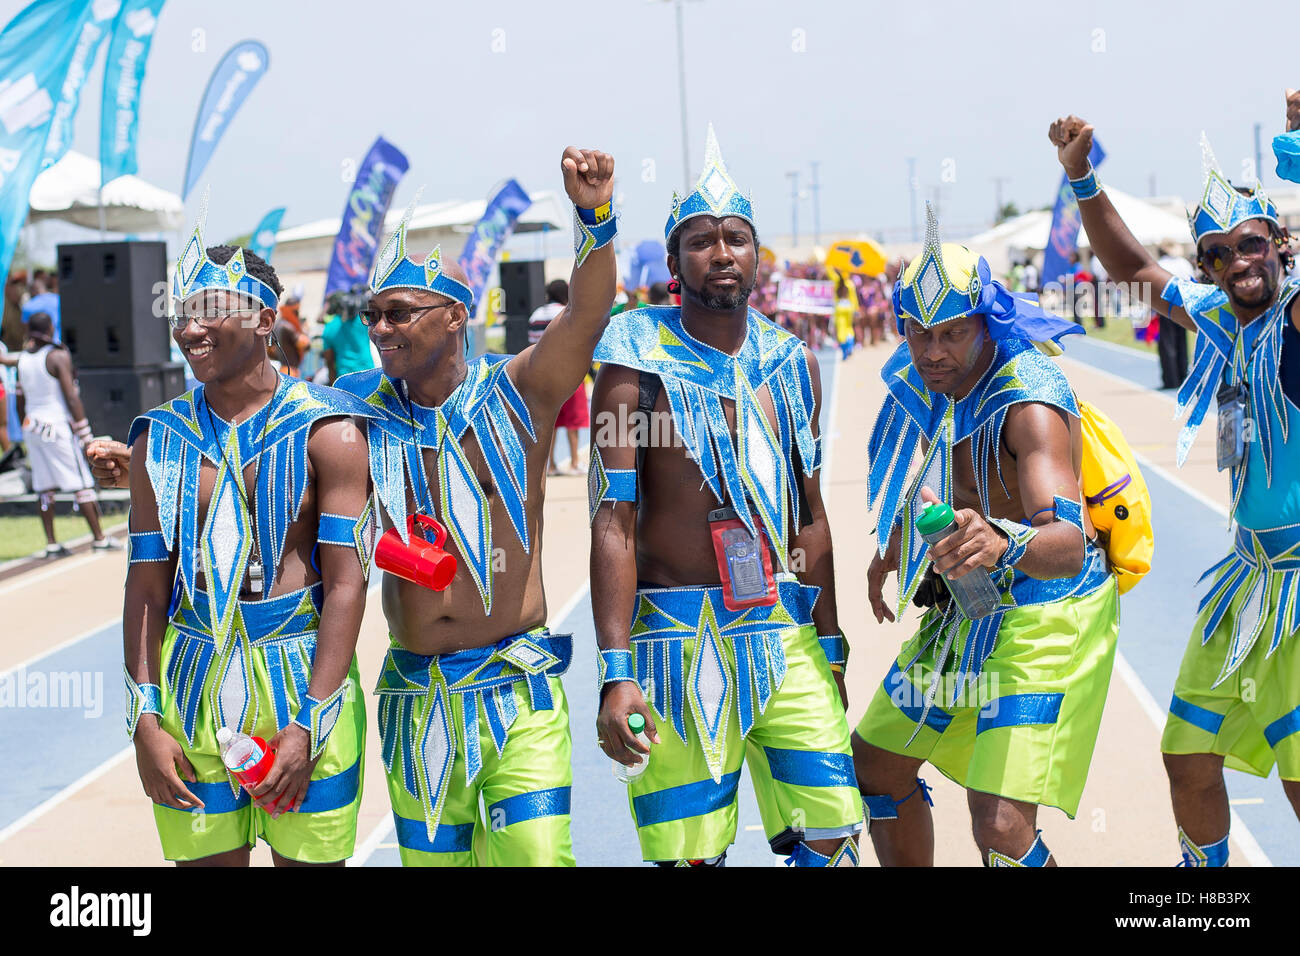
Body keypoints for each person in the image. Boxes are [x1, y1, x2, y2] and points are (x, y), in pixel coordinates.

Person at [332, 146, 617, 866]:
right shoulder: (355, 409)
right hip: (414, 693)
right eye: (373, 316)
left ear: (456, 316)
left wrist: (595, 215)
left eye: (399, 313)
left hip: (515, 685)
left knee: (537, 856)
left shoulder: (520, 391)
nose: (381, 329)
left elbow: (587, 313)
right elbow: (261, 424)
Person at [589, 126, 862, 867]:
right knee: (690, 856)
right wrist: (616, 672)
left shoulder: (787, 359)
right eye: (701, 240)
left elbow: (810, 512)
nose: (721, 253)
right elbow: (611, 520)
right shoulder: (631, 354)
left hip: (781, 626)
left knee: (834, 832)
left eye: (735, 238)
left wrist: (831, 640)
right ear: (676, 260)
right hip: (676, 640)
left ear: (756, 254)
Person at [1050, 102, 1300, 867]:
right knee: (1187, 755)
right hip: (1244, 583)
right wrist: (1082, 177)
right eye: (1218, 254)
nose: (1238, 262)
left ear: (1281, 243)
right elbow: (1130, 270)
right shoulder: (1226, 322)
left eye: (1251, 244)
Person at [854, 204, 1118, 868]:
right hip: (972, 597)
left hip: (1047, 609)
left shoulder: (1027, 404)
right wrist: (890, 553)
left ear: (983, 323)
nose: (934, 352)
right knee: (876, 767)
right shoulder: (930, 381)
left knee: (999, 824)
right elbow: (935, 475)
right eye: (919, 334)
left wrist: (1004, 543)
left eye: (951, 333)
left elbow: (1070, 544)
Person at [122, 207, 376, 867]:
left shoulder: (331, 430)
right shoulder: (159, 436)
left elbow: (348, 583)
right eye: (182, 313)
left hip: (301, 683)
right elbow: (147, 581)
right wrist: (145, 718)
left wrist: (311, 721)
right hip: (193, 683)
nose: (189, 327)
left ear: (267, 320)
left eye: (210, 308)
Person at [0, 313, 119, 556]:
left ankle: (52, 543)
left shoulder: (23, 360)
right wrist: (84, 430)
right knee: (81, 482)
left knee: (44, 487)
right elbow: (71, 396)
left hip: (33, 427)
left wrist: (25, 423)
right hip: (56, 427)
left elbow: (20, 399)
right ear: (50, 329)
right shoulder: (56, 356)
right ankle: (99, 539)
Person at [1155, 243, 1193, 389]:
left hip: (1165, 305)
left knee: (1167, 343)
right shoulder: (1183, 263)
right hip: (1183, 303)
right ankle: (1183, 375)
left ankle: (1170, 379)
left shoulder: (1160, 264)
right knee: (1182, 340)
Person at [321, 288, 374, 383]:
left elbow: (329, 361)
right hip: (369, 373)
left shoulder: (329, 328)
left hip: (344, 378)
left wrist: (334, 386)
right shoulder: (362, 320)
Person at [271, 294, 311, 377]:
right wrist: (305, 331)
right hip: (290, 371)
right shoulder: (287, 326)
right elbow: (305, 345)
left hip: (282, 368)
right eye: (297, 311)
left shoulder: (278, 324)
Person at [23, 271, 61, 343]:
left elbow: (27, 330)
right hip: (59, 342)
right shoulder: (58, 300)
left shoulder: (27, 306)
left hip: (38, 346)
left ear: (32, 291)